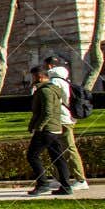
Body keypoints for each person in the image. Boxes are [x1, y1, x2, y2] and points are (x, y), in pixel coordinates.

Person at [43, 56, 90, 190]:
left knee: (68, 148)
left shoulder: (55, 82)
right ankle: (60, 178)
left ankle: (80, 179)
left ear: (50, 67)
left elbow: (52, 102)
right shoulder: (65, 80)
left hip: (61, 119)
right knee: (58, 149)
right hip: (67, 118)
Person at [27, 66, 74, 197]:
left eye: (34, 77)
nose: (32, 80)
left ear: (40, 77)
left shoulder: (45, 91)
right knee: (58, 158)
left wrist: (39, 127)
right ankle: (66, 186)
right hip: (54, 128)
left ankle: (42, 183)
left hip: (47, 130)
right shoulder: (52, 89)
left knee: (32, 155)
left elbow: (47, 112)